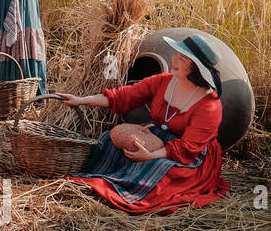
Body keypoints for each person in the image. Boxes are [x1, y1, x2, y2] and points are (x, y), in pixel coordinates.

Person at [56, 34, 229, 213]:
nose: (174, 60)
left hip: (189, 153)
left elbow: (189, 147)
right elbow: (123, 96)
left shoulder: (210, 105)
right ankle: (105, 180)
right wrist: (81, 100)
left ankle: (128, 192)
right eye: (176, 54)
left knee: (159, 167)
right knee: (107, 140)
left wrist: (150, 155)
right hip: (157, 136)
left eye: (182, 58)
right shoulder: (163, 80)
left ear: (196, 68)